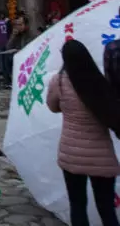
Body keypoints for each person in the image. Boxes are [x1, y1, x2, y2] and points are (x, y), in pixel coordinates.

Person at [47, 39, 120, 226]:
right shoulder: (100, 82)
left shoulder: (59, 82)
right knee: (106, 208)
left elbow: (52, 107)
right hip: (101, 156)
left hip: (71, 154)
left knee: (77, 204)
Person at [1, 14, 31, 86]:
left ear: (26, 25)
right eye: (16, 25)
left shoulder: (30, 34)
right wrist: (13, 36)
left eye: (20, 24)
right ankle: (8, 79)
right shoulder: (16, 35)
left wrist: (20, 50)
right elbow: (8, 47)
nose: (18, 27)